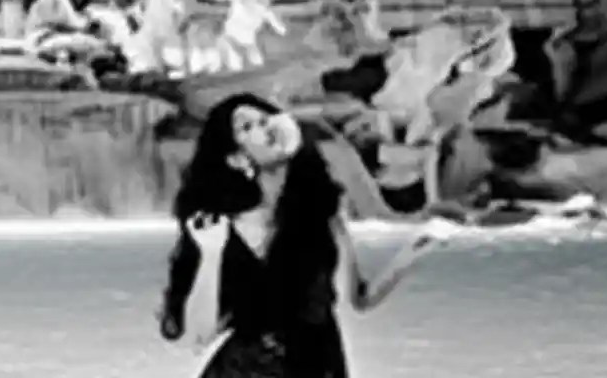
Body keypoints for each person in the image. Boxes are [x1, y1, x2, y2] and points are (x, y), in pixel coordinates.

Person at [157, 93, 451, 378]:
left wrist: (409, 255)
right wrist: (211, 254)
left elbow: (359, 299)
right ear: (236, 159)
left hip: (320, 365)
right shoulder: (219, 228)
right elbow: (198, 336)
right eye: (247, 127)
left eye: (265, 118)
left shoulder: (321, 215)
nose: (265, 127)